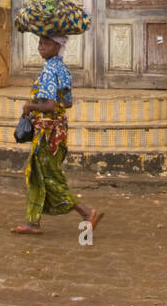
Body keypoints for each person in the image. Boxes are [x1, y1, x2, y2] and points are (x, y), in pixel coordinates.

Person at [12, 34, 103, 235]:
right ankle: (33, 222)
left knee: (51, 177)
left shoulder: (50, 69)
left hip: (47, 134)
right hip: (58, 132)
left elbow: (50, 105)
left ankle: (86, 212)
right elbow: (67, 102)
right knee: (36, 174)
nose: (40, 47)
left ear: (56, 46)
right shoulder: (63, 69)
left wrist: (29, 106)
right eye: (39, 43)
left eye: (45, 43)